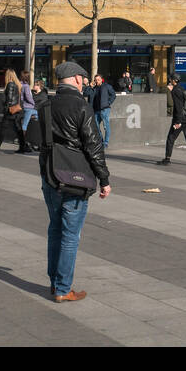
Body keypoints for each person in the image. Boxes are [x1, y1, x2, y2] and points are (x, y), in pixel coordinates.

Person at [38, 61, 110, 303]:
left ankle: (54, 283)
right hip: (76, 180)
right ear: (78, 79)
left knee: (55, 230)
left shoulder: (45, 105)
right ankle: (62, 288)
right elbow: (94, 146)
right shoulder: (82, 106)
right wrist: (104, 179)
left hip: (50, 176)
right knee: (70, 235)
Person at [0, 68, 30, 154]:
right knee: (18, 130)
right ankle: (22, 147)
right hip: (17, 110)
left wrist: (6, 109)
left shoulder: (10, 84)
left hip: (10, 111)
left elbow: (10, 99)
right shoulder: (17, 84)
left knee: (3, 129)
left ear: (8, 76)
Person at [91, 72, 116, 148]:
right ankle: (101, 141)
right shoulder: (94, 88)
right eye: (95, 80)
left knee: (106, 126)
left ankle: (106, 142)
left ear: (101, 80)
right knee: (96, 126)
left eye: (98, 80)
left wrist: (108, 103)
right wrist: (90, 87)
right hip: (96, 109)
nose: (97, 81)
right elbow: (86, 93)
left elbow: (113, 95)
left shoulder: (107, 86)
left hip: (104, 109)